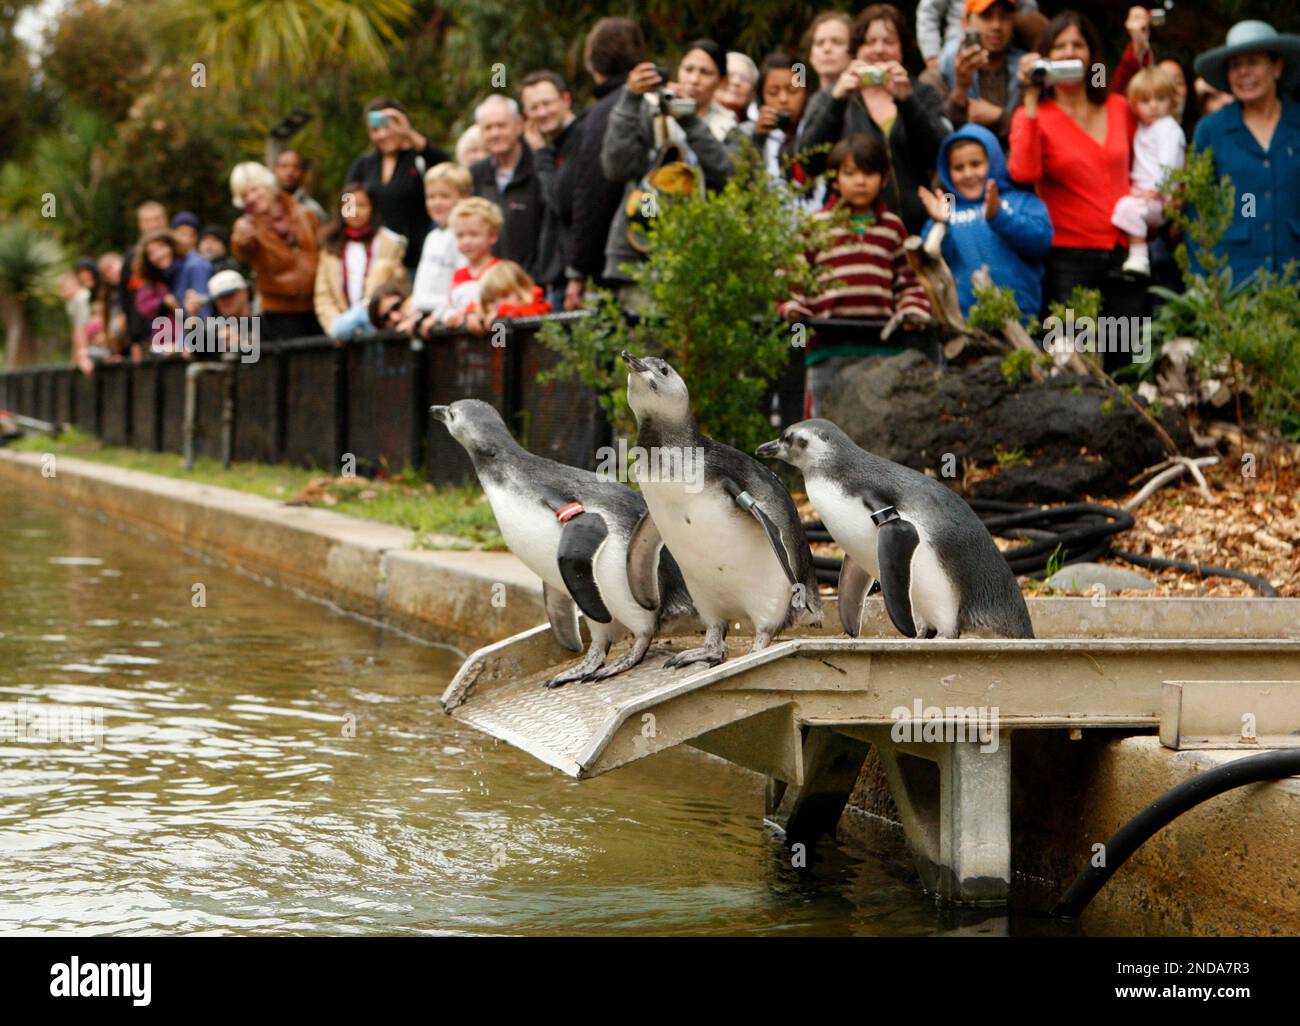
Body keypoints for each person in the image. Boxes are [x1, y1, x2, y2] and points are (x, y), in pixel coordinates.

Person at [1007, 10, 1144, 367]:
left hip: (1125, 256)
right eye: (1060, 45)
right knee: (1072, 369)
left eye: (1078, 44)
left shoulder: (1118, 106)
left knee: (1127, 365)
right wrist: (1031, 97)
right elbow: (1023, 170)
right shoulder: (1035, 114)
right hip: (1068, 260)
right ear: (1045, 57)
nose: (1069, 51)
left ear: (1091, 54)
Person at [778, 133, 931, 417]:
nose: (860, 181)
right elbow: (795, 277)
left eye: (869, 173)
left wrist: (912, 311)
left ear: (884, 179)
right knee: (826, 429)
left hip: (881, 346)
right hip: (828, 345)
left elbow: (909, 282)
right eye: (850, 173)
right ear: (835, 180)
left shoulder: (892, 227)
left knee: (879, 424)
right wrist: (795, 309)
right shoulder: (816, 225)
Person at [601, 38, 742, 291]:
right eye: (688, 70)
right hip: (638, 249)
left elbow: (729, 177)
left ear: (721, 82)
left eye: (705, 72)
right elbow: (616, 168)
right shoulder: (648, 111)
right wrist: (630, 99)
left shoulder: (730, 128)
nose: (694, 79)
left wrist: (688, 119)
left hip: (699, 255)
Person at [799, 5, 948, 234]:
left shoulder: (922, 93)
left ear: (902, 49)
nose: (879, 49)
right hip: (850, 230)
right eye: (869, 42)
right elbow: (808, 162)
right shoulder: (830, 97)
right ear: (856, 49)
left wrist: (907, 102)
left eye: (889, 41)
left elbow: (940, 156)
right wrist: (837, 101)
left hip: (917, 231)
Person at [1191, 20, 1300, 284]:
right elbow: (1197, 211)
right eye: (1235, 65)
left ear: (1277, 67)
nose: (1244, 72)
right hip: (1235, 281)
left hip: (1294, 273)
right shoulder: (1211, 130)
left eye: (1253, 62)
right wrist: (1201, 280)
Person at [918, 123, 1052, 320]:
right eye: (958, 168)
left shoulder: (1020, 201)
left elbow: (1041, 241)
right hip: (963, 323)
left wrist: (999, 217)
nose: (968, 174)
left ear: (995, 161)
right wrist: (940, 225)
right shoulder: (945, 211)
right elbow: (930, 263)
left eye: (976, 164)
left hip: (1020, 320)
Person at [562, 16, 646, 311]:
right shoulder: (657, 100)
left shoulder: (602, 115)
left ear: (591, 61)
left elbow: (594, 193)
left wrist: (579, 270)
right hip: (668, 253)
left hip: (616, 265)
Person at [344, 98, 451, 274]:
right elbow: (346, 203)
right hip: (372, 262)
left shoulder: (419, 159)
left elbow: (447, 168)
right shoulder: (364, 164)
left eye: (388, 127)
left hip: (416, 261)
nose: (382, 135)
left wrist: (408, 133)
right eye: (375, 130)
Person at [469, 95, 560, 293]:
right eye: (488, 128)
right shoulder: (478, 173)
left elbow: (551, 225)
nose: (495, 133)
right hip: (489, 288)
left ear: (518, 125)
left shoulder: (540, 167)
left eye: (502, 126)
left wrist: (539, 278)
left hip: (534, 286)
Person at [229, 161, 321, 340]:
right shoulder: (249, 226)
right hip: (279, 312)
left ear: (268, 185)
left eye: (255, 190)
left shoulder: (305, 213)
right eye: (245, 195)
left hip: (315, 305)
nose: (251, 198)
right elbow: (241, 251)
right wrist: (241, 238)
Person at [1111, 68, 1185, 277]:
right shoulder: (1144, 127)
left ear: (1172, 100)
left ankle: (1139, 257)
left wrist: (1159, 190)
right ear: (1134, 105)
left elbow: (1169, 164)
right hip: (1143, 193)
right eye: (1145, 100)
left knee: (1126, 208)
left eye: (1160, 98)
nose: (1153, 106)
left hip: (1159, 198)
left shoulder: (1168, 128)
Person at [520, 71, 584, 307]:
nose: (543, 112)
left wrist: (540, 154)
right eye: (534, 107)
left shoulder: (582, 139)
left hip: (575, 278)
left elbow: (561, 201)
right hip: (552, 279)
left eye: (547, 103)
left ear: (565, 100)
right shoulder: (551, 147)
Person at [314, 182, 408, 340]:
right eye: (349, 206)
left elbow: (398, 285)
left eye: (362, 205)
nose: (355, 212)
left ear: (373, 208)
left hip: (380, 327)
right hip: (344, 330)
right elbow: (323, 295)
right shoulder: (329, 248)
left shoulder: (390, 242)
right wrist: (336, 327)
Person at [939, 0, 1026, 149]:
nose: (996, 26)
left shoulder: (1025, 69)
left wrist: (998, 116)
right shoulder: (946, 67)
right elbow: (940, 135)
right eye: (986, 17)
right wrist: (961, 88)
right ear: (965, 22)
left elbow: (1033, 135)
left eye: (1004, 17)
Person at [398, 162, 471, 335]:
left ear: (464, 197)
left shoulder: (463, 237)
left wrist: (440, 314)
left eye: (444, 196)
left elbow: (462, 285)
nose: (436, 203)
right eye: (431, 197)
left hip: (448, 320)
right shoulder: (432, 237)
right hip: (423, 317)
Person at [742, 51, 819, 210]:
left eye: (792, 91)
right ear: (761, 98)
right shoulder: (747, 134)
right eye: (773, 92)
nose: (783, 99)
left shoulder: (819, 131)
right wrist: (758, 140)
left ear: (807, 93)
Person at [916, 0, 1041, 73]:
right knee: (956, 55)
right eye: (987, 16)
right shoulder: (951, 55)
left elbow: (1030, 12)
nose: (995, 25)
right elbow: (928, 13)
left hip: (1006, 42)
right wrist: (932, 57)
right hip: (961, 38)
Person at [443, 197, 504, 334]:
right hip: (465, 348)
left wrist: (476, 311)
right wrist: (450, 317)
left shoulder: (500, 271)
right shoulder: (459, 274)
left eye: (474, 234)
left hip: (495, 342)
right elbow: (451, 305)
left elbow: (507, 305)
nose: (466, 241)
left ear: (493, 235)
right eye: (460, 236)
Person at [118, 200, 169, 348]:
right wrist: (134, 340)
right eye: (148, 221)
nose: (153, 225)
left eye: (157, 219)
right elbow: (128, 299)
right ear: (140, 225)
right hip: (146, 335)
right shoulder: (132, 259)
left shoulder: (178, 253)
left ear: (165, 220)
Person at [133, 230, 184, 356]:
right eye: (152, 253)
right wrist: (163, 303)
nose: (159, 255)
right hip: (164, 342)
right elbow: (143, 307)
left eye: (161, 247)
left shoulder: (183, 270)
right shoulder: (152, 283)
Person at [478, 259, 553, 325]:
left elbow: (531, 313)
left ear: (522, 290)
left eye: (505, 296)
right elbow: (476, 309)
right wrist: (472, 315)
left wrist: (501, 313)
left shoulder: (539, 306)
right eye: (491, 300)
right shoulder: (490, 315)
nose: (499, 304)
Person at [170, 212, 214, 319]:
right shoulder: (177, 261)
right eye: (182, 234)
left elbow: (202, 304)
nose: (186, 239)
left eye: (191, 234)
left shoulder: (197, 264)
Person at [273, 149, 327, 225]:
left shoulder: (313, 210)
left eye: (295, 167)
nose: (290, 172)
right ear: (275, 170)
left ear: (303, 173)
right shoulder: (265, 206)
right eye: (284, 166)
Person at [803, 11, 854, 93]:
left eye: (837, 42)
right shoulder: (806, 104)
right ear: (811, 55)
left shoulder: (864, 102)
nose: (827, 49)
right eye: (820, 43)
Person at [60, 270, 95, 375]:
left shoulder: (79, 299)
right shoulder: (73, 301)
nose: (62, 292)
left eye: (64, 287)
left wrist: (81, 355)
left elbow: (81, 327)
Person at [719, 52, 759, 123]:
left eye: (744, 78)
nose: (736, 82)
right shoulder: (695, 120)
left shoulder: (756, 130)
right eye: (730, 74)